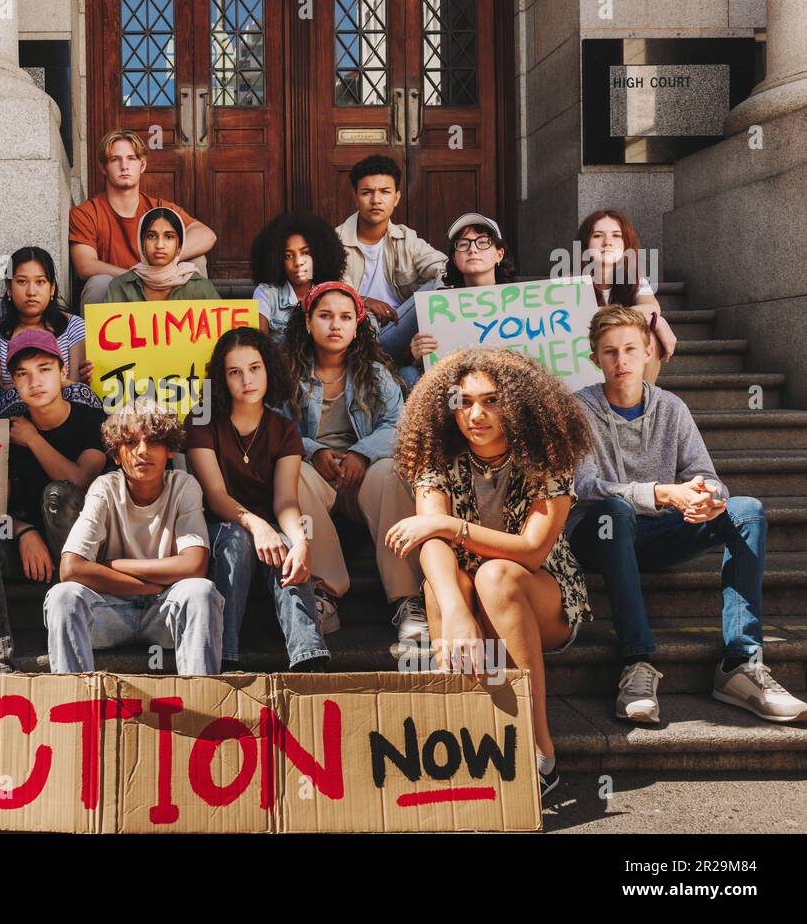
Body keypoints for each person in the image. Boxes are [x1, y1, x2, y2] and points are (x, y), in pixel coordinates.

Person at [567, 304, 807, 725]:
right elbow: (584, 487)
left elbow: (707, 475)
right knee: (615, 511)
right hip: (599, 535)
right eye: (609, 352)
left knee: (746, 511)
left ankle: (740, 663)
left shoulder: (672, 408)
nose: (620, 361)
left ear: (648, 352)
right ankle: (637, 662)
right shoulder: (578, 408)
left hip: (658, 536)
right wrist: (663, 493)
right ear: (594, 359)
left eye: (629, 349)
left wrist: (707, 496)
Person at [389, 347, 593, 799]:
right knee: (447, 583)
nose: (474, 414)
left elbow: (533, 552)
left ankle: (539, 750)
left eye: (491, 401)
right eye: (464, 401)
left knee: (495, 575)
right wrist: (458, 613)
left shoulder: (547, 454)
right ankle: (462, 744)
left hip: (541, 600)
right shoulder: (436, 453)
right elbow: (431, 545)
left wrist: (449, 524)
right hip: (471, 600)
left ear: (519, 404)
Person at [278, 281, 423, 644]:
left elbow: (397, 426)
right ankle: (325, 593)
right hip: (316, 473)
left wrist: (362, 452)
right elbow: (274, 427)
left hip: (362, 476)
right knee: (292, 475)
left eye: (345, 317)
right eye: (325, 316)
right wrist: (313, 450)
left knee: (390, 472)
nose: (335, 325)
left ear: (358, 325)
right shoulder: (286, 374)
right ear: (308, 322)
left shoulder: (375, 374)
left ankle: (408, 598)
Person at [0, 329, 106, 673]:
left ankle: (70, 621)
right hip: (28, 549)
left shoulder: (92, 421)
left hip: (82, 550)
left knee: (58, 494)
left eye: (43, 369)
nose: (34, 381)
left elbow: (79, 480)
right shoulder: (3, 430)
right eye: (23, 374)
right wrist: (23, 530)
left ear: (62, 371)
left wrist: (34, 439)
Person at [43, 397, 223, 674]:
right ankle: (75, 706)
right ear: (116, 455)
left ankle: (203, 703)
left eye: (153, 441)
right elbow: (71, 568)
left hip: (164, 609)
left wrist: (113, 565)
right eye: (130, 443)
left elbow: (194, 566)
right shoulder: (105, 487)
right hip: (110, 610)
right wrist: (146, 587)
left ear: (170, 450)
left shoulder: (184, 485)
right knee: (62, 597)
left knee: (201, 591)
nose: (142, 451)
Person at [186, 327, 329, 672]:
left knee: (288, 550)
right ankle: (223, 660)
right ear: (222, 378)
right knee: (237, 538)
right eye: (234, 372)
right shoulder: (202, 421)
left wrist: (299, 541)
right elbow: (216, 495)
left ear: (268, 370)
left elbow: (286, 501)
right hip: (219, 524)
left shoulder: (284, 429)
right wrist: (255, 524)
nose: (246, 379)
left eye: (254, 368)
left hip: (267, 529)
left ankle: (310, 661)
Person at [69, 128, 217, 306]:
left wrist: (162, 263)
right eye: (115, 160)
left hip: (165, 292)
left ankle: (198, 332)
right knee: (98, 283)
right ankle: (91, 335)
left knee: (196, 261)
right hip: (121, 292)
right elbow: (85, 266)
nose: (124, 166)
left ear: (143, 165)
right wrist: (138, 274)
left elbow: (207, 235)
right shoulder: (86, 212)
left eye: (131, 159)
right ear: (103, 167)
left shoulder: (159, 208)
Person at [336, 155, 447, 366]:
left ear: (396, 198)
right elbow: (322, 292)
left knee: (438, 283)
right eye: (367, 192)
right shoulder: (335, 241)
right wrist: (363, 301)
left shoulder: (407, 240)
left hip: (399, 334)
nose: (376, 200)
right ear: (356, 197)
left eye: (384, 192)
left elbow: (445, 270)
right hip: (354, 338)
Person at [401, 213, 517, 389]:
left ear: (499, 254)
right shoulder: (440, 307)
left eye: (483, 242)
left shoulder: (520, 301)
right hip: (454, 388)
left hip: (504, 387)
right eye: (463, 244)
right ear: (455, 259)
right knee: (407, 374)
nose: (473, 249)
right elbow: (429, 361)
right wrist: (416, 354)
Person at [577, 209, 676, 385]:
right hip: (582, 353)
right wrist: (656, 321)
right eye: (598, 235)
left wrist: (656, 319)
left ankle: (643, 403)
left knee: (650, 338)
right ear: (585, 244)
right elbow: (576, 319)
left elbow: (652, 308)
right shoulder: (569, 281)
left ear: (626, 244)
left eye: (616, 236)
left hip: (620, 354)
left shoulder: (635, 281)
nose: (607, 243)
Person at [0, 246, 90, 388]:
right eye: (22, 281)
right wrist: (55, 382)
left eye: (40, 282)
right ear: (9, 287)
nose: (31, 292)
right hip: (12, 410)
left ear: (52, 288)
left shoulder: (74, 327)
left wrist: (20, 385)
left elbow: (76, 390)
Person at [249, 211, 347, 341]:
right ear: (277, 259)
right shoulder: (266, 293)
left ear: (318, 254)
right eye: (288, 256)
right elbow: (260, 344)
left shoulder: (330, 292)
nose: (298, 262)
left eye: (305, 252)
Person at [102, 207, 219, 304]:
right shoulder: (119, 287)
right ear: (141, 244)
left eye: (169, 237)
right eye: (151, 236)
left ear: (179, 247)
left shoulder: (201, 289)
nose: (159, 245)